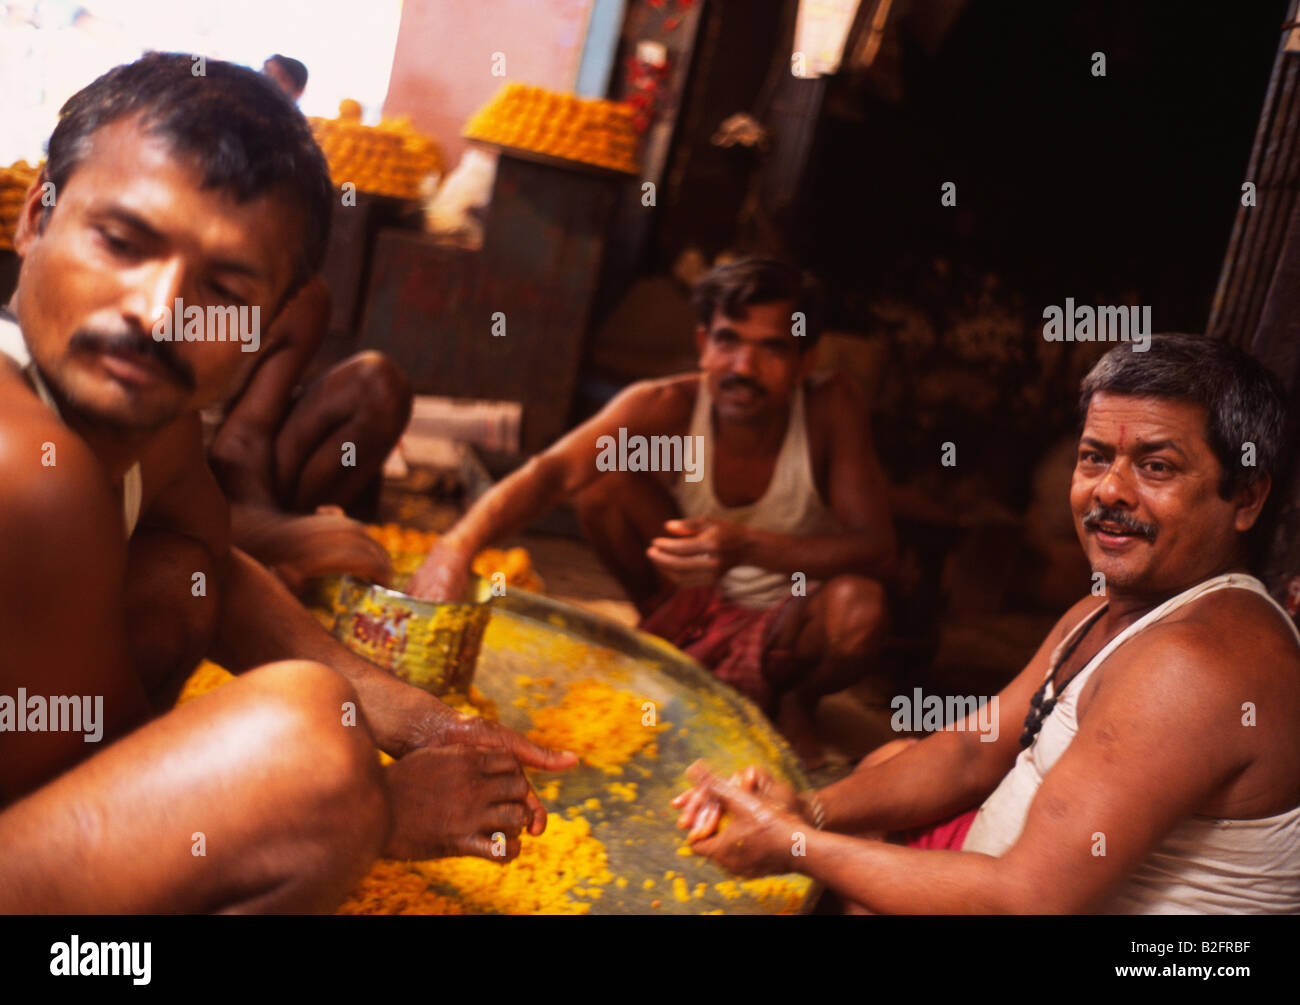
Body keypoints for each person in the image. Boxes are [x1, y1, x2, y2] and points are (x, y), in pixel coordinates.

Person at [0, 53, 574, 914]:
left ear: (267, 325)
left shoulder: (145, 428)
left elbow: (215, 568)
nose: (159, 315)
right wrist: (384, 808)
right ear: (37, 220)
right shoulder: (28, 468)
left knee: (178, 580)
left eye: (222, 291)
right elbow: (111, 762)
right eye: (121, 242)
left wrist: (413, 715)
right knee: (306, 748)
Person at [673, 333, 1300, 913]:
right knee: (883, 769)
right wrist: (805, 808)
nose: (1110, 490)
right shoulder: (1107, 609)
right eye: (1095, 458)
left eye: (1155, 466)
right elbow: (972, 750)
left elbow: (1024, 903)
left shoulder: (1197, 665)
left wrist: (790, 844)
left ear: (1245, 497)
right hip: (1016, 883)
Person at [408, 258, 897, 765]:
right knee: (605, 480)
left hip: (788, 619)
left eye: (771, 348)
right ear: (703, 344)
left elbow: (878, 550)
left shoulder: (829, 409)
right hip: (691, 598)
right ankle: (666, 633)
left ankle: (795, 698)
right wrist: (454, 549)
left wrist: (747, 546)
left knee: (860, 609)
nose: (743, 369)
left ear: (804, 360)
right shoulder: (666, 404)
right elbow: (552, 473)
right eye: (728, 341)